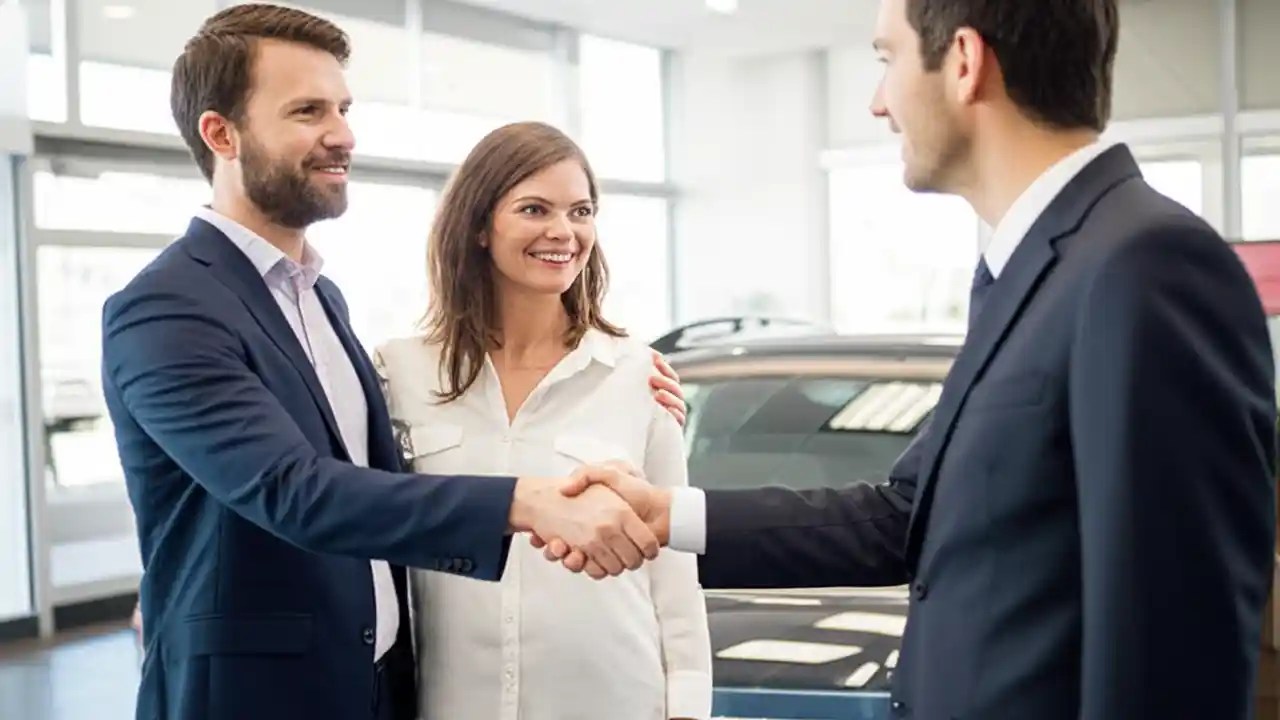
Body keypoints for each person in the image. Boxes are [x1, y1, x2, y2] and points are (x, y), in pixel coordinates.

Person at [544, 0, 1279, 718]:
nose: (878, 103)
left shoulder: (1145, 266)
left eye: (886, 58)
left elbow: (1175, 635)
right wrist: (667, 513)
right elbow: (904, 516)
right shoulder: (1036, 270)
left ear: (964, 62)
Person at [102, 6, 685, 720]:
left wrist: (634, 401)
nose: (342, 135)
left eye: (343, 109)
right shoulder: (166, 308)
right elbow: (293, 490)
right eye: (308, 111)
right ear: (222, 134)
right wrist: (527, 500)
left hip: (379, 688)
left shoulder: (322, 301)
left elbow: (381, 484)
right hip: (257, 698)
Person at [374, 121, 712, 720]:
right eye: (535, 209)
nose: (563, 231)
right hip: (452, 704)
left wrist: (686, 705)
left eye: (581, 212)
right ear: (479, 225)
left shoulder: (636, 374)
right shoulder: (397, 374)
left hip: (615, 701)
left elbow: (674, 569)